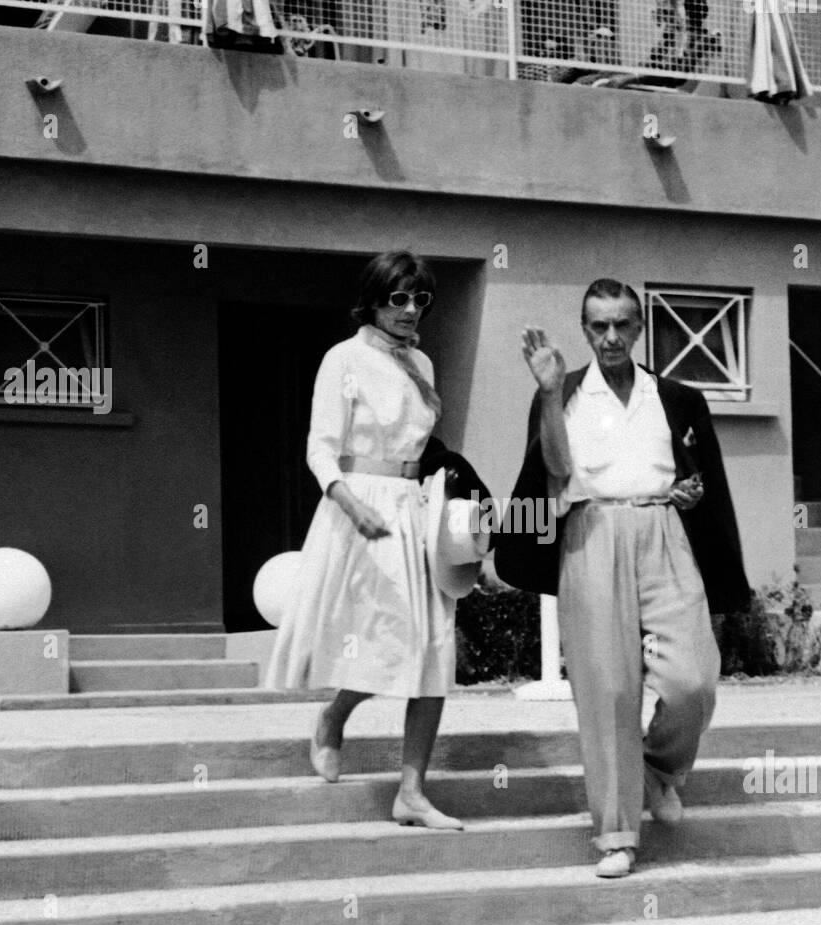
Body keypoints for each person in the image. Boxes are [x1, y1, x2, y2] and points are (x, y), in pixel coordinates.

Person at [493, 279, 750, 877]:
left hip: (663, 532)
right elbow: (556, 468)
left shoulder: (677, 397)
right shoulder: (564, 393)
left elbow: (700, 472)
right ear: (585, 331)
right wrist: (551, 392)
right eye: (599, 326)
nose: (611, 336)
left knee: (693, 678)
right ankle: (616, 835)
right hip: (592, 534)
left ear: (640, 329)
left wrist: (690, 491)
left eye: (623, 325)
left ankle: (658, 768)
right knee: (608, 693)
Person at [264, 250, 479, 831]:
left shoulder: (424, 365)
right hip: (361, 507)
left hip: (414, 511)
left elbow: (423, 446)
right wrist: (348, 501)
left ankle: (412, 792)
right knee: (380, 638)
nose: (410, 310)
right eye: (398, 299)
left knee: (435, 650)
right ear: (374, 301)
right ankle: (334, 717)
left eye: (420, 300)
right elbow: (319, 446)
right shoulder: (344, 359)